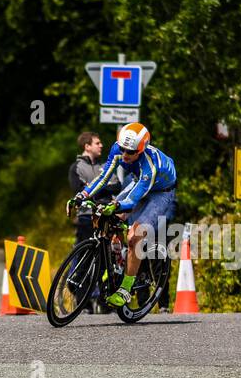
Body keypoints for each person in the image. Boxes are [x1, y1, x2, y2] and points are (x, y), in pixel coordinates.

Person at [75, 122, 177, 308]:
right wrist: (84, 194)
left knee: (134, 235)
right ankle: (117, 260)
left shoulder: (150, 165)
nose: (124, 155)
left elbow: (133, 199)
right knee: (106, 216)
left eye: (130, 152)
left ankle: (126, 289)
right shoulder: (118, 149)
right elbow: (104, 176)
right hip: (138, 181)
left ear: (141, 149)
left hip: (160, 192)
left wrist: (115, 206)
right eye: (122, 149)